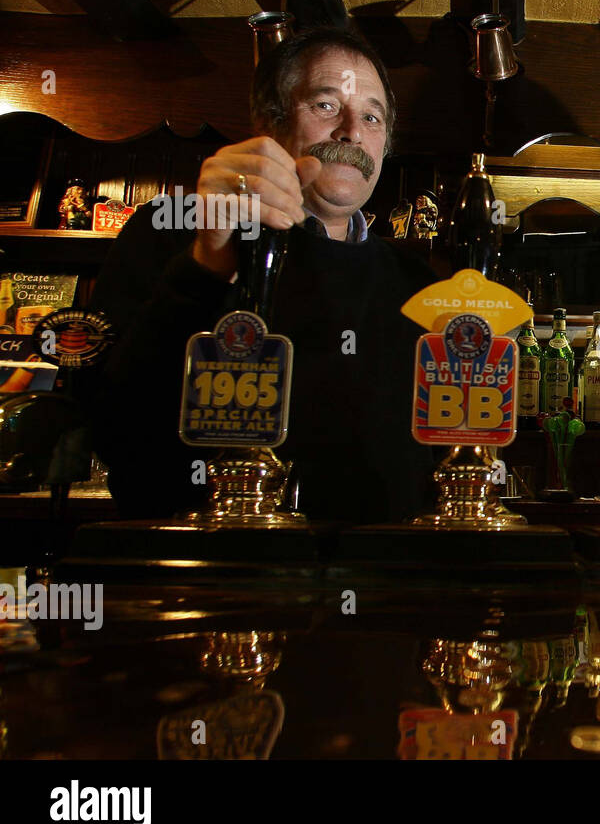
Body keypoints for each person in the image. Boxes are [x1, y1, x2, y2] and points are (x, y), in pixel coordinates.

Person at [90, 27, 440, 523]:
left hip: (376, 578)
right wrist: (208, 263)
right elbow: (115, 427)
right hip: (206, 573)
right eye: (325, 106)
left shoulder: (418, 285)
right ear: (267, 124)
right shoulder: (177, 232)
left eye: (371, 116)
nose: (352, 132)